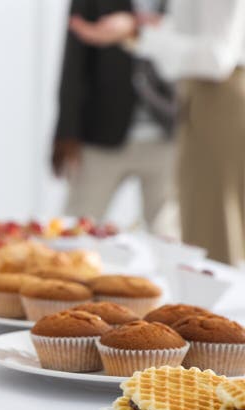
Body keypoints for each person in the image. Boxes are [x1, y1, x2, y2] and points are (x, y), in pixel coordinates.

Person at [69, 0, 245, 264]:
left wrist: (140, 33)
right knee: (201, 235)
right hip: (195, 98)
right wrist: (148, 29)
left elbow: (217, 56)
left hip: (213, 96)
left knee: (211, 242)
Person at [53, 0, 177, 238]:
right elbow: (73, 61)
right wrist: (66, 132)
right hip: (101, 135)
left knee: (170, 236)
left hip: (167, 135)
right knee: (75, 229)